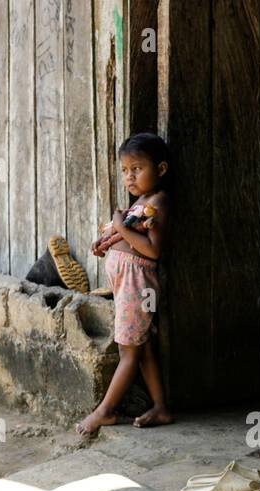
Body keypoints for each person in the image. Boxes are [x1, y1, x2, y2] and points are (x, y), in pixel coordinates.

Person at [77, 133, 173, 435]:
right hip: (125, 283)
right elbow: (129, 235)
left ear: (160, 170)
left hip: (138, 283)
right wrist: (107, 240)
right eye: (125, 170)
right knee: (141, 348)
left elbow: (153, 249)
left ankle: (104, 411)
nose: (130, 176)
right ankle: (160, 407)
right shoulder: (141, 203)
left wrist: (119, 226)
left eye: (137, 169)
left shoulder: (158, 202)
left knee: (129, 351)